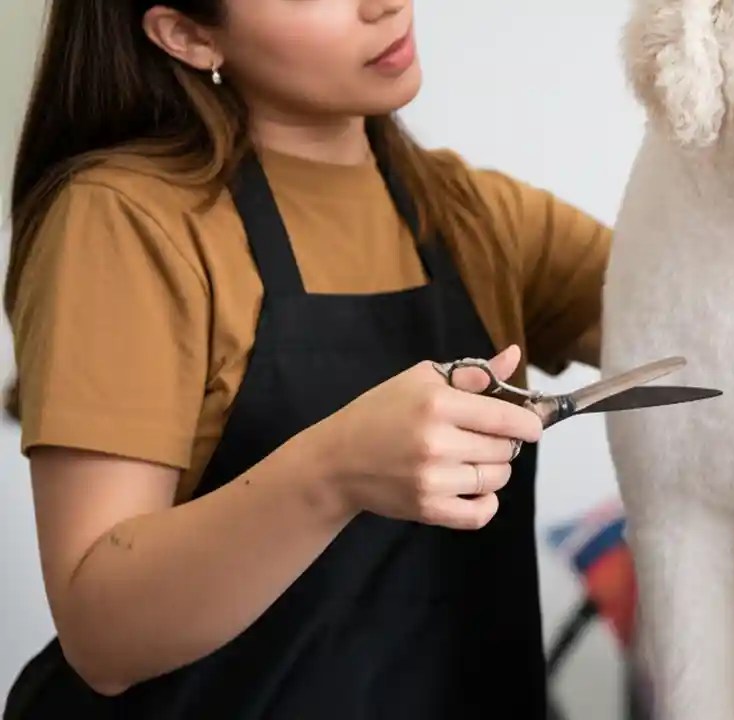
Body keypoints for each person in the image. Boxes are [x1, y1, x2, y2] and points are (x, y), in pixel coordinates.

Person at [2, 1, 609, 718]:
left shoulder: (473, 213)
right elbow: (102, 636)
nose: (383, 3)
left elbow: (725, 323)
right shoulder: (124, 220)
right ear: (190, 36)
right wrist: (335, 471)